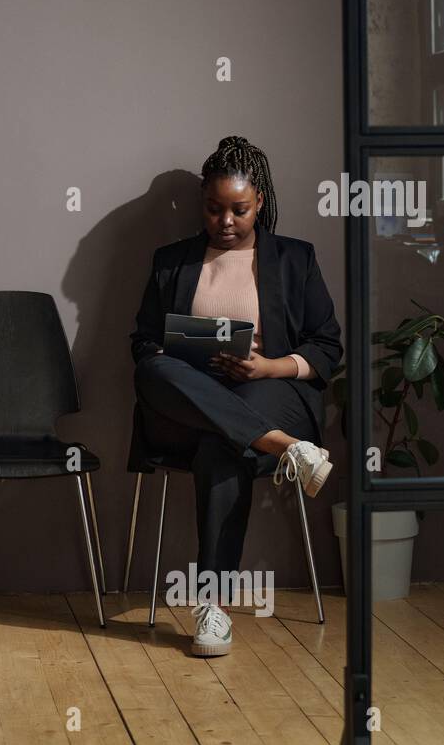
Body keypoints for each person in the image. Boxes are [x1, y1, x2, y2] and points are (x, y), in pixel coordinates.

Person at [129, 135, 343, 657]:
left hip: (269, 393)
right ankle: (286, 449)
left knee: (221, 444)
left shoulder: (295, 259)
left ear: (260, 203)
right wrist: (176, 354)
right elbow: (143, 342)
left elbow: (328, 346)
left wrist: (268, 365)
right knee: (151, 370)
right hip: (185, 398)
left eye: (239, 210)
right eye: (214, 208)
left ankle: (213, 607)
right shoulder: (172, 261)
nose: (225, 221)